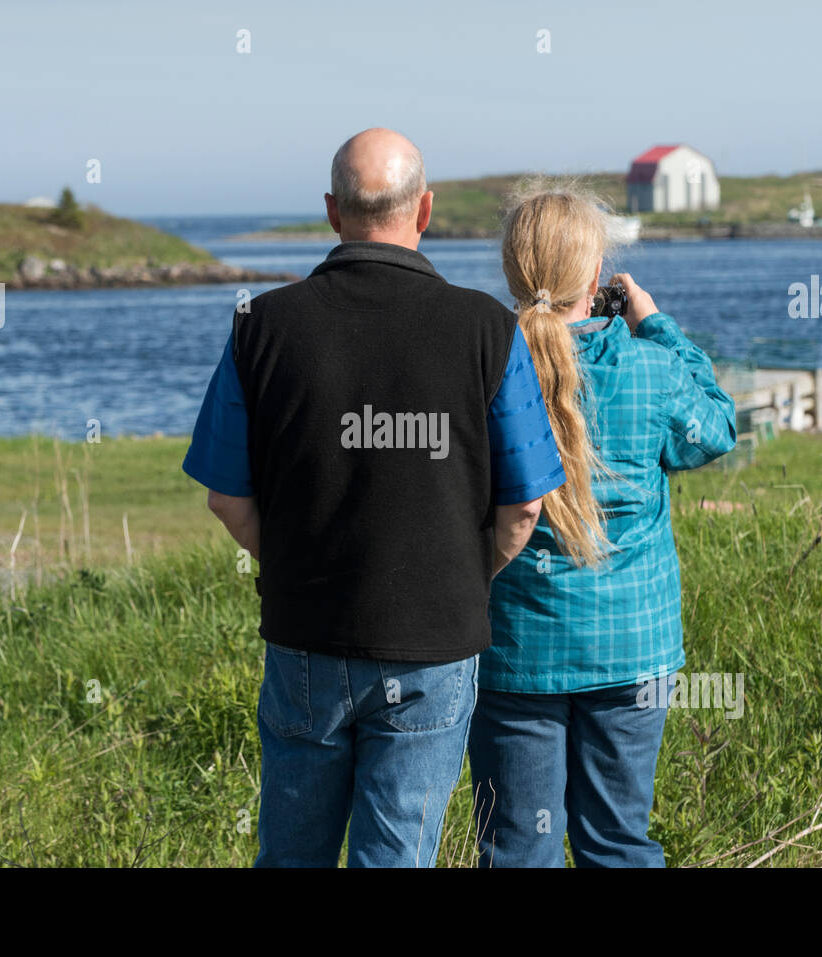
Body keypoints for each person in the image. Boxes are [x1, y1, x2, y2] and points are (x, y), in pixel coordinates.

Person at [182, 129, 567, 867]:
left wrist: (292, 555)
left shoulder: (258, 326)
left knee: (291, 855)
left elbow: (226, 499)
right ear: (424, 210)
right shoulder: (489, 328)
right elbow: (524, 507)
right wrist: (467, 572)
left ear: (332, 211)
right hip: (433, 646)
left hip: (304, 637)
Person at [469, 184, 737, 867]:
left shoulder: (478, 370)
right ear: (596, 278)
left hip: (517, 650)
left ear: (511, 273)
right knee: (618, 840)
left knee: (517, 847)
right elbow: (715, 429)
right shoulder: (650, 369)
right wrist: (654, 322)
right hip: (632, 648)